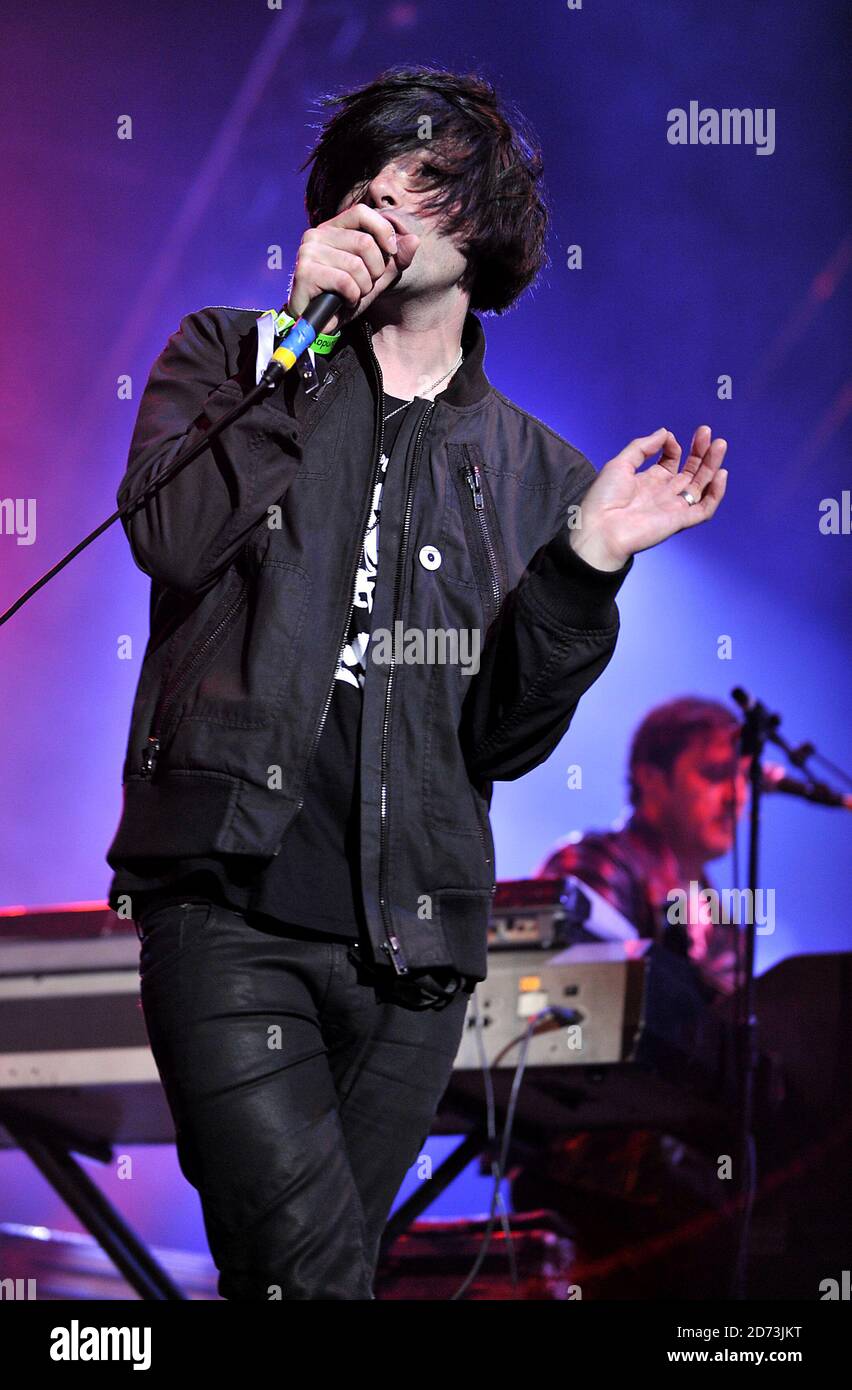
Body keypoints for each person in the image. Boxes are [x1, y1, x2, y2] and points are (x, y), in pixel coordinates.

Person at [105, 66, 728, 1300]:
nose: (386, 193)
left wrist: (587, 565)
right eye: (363, 179)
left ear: (486, 221)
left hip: (414, 948)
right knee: (315, 1275)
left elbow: (503, 736)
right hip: (229, 911)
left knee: (292, 1283)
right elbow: (172, 536)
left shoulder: (537, 471)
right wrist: (292, 345)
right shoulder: (228, 354)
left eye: (427, 175)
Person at [512, 697, 749, 1297]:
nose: (737, 798)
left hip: (686, 1150)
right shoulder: (596, 862)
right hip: (594, 1159)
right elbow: (568, 1018)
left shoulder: (721, 915)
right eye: (715, 774)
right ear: (651, 777)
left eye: (743, 780)